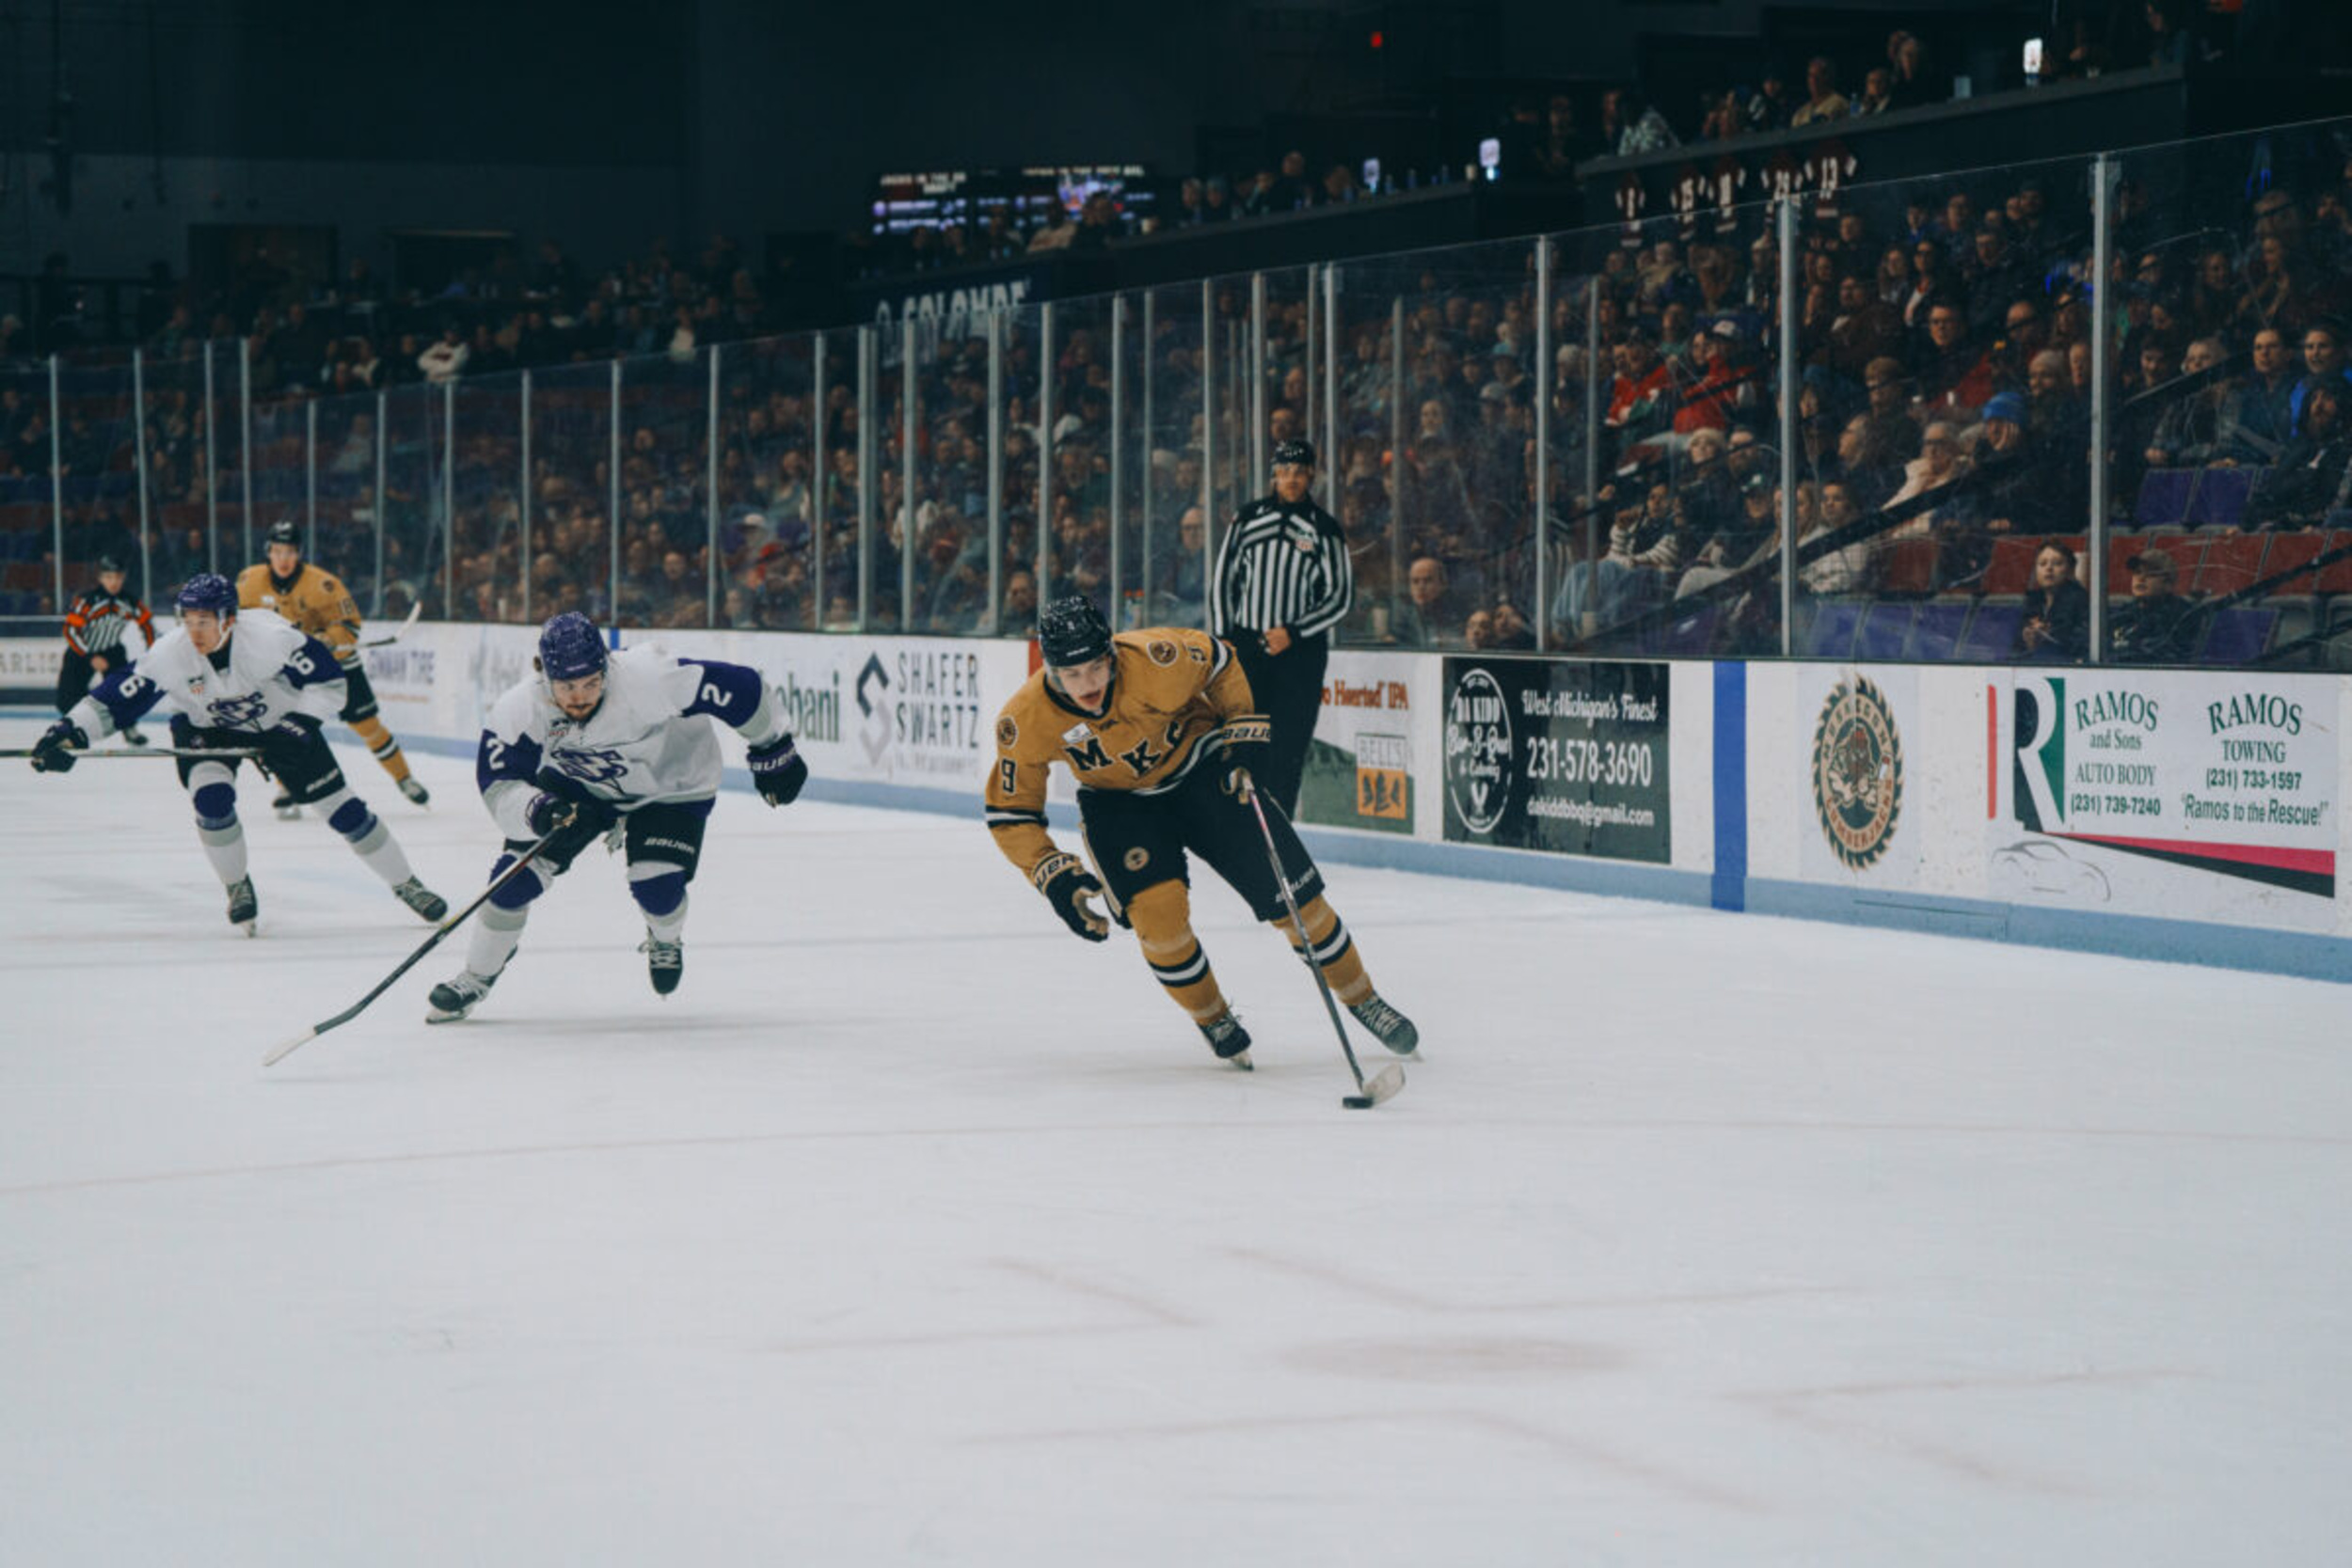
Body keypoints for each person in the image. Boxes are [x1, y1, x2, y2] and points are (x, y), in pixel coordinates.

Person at [985, 596, 1416, 1070]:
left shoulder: (1158, 656)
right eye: (1071, 674)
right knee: (1158, 918)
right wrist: (1052, 874)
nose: (1087, 684)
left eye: (1096, 667)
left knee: (1296, 899)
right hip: (1119, 804)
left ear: (1111, 653)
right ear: (1049, 669)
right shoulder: (1024, 720)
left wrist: (1242, 729)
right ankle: (1213, 1017)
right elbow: (1011, 811)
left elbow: (1221, 662)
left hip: (1204, 770)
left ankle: (1364, 999)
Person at [421, 611, 809, 1022]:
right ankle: (476, 977)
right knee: (511, 880)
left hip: (670, 783)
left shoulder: (649, 677)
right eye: (567, 686)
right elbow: (499, 787)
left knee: (656, 888)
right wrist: (540, 811)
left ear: (606, 668)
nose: (580, 697)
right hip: (580, 785)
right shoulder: (520, 709)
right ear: (544, 675)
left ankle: (665, 938)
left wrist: (773, 748)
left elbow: (741, 687)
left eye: (591, 682)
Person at [28, 574, 447, 935]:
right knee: (212, 801)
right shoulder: (171, 653)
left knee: (345, 810)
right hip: (205, 729)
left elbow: (330, 682)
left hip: (280, 724)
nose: (194, 631)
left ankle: (406, 883)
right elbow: (115, 698)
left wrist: (298, 725)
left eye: (204, 621)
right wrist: (68, 732)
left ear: (229, 619)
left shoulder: (272, 639)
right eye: (188, 620)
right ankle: (237, 886)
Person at [237, 518, 429, 814]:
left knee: (367, 725)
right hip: (288, 671)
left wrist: (327, 640)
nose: (283, 559)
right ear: (268, 552)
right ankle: (287, 786)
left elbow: (349, 625)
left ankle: (404, 778)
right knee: (281, 727)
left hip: (337, 666)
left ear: (299, 553)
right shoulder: (249, 582)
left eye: (289, 552)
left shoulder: (323, 584)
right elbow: (237, 622)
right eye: (277, 551)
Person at [1207, 438, 1352, 816]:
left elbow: (1339, 596)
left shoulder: (1324, 528)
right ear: (1274, 475)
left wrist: (1295, 631)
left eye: (1299, 472)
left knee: (1288, 747)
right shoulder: (1247, 518)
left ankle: (1277, 826)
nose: (1291, 479)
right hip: (1247, 648)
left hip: (1299, 656)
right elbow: (1224, 580)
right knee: (1241, 742)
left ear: (1311, 475)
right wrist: (1225, 639)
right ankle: (1239, 824)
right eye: (1284, 471)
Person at [56, 556, 156, 747]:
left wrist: (152, 652)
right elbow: (70, 630)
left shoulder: (130, 601)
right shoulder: (86, 600)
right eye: (109, 577)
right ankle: (71, 730)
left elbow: (147, 625)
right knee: (66, 697)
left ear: (123, 578)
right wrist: (90, 656)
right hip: (81, 653)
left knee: (125, 690)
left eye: (118, 577)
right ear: (100, 578)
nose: (114, 582)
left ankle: (130, 728)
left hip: (112, 651)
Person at [2108, 549, 2202, 664]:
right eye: (2137, 572)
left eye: (2150, 574)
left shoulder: (2181, 615)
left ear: (2168, 583)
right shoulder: (2124, 612)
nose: (2141, 578)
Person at [2012, 543, 2090, 662]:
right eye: (2042, 564)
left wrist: (2048, 638)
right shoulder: (2033, 600)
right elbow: (2016, 651)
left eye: (2057, 563)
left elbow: (2081, 644)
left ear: (2071, 570)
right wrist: (2027, 640)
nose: (2048, 568)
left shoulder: (2080, 600)